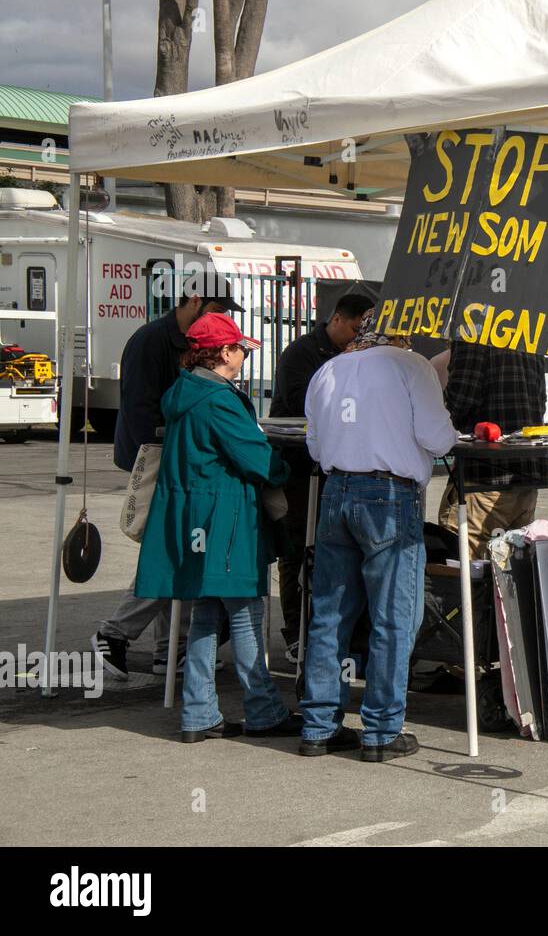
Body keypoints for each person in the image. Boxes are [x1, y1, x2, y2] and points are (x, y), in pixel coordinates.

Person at [300, 310, 458, 761]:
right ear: (404, 332)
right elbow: (439, 438)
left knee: (330, 613)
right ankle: (381, 730)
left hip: (336, 491)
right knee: (393, 616)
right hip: (388, 495)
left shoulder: (328, 369)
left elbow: (314, 444)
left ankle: (318, 725)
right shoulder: (412, 367)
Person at [134, 313, 298, 742]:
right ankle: (263, 710)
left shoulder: (184, 391)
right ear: (224, 352)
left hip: (192, 515)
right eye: (241, 349)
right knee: (245, 613)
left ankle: (199, 713)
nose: (244, 356)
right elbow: (255, 457)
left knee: (206, 612)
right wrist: (284, 470)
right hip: (225, 516)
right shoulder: (218, 398)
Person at [94, 286, 242, 679]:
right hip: (160, 461)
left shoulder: (180, 344)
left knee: (179, 552)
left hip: (176, 462)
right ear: (194, 301)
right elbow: (140, 406)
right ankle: (117, 634)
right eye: (215, 309)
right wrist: (168, 451)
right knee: (173, 555)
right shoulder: (151, 340)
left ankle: (169, 649)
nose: (219, 317)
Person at [268, 291, 374, 662]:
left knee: (335, 550)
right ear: (338, 319)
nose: (360, 337)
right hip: (298, 466)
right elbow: (301, 402)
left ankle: (333, 633)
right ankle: (295, 632)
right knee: (295, 549)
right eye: (358, 329)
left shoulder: (359, 355)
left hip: (336, 466)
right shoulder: (300, 353)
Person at [436, 343, 548, 558]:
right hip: (527, 473)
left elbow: (460, 400)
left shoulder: (473, 335)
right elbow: (540, 402)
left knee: (465, 565)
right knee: (511, 569)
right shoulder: (528, 333)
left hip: (484, 476)